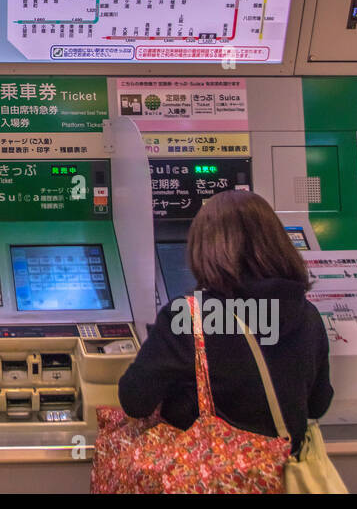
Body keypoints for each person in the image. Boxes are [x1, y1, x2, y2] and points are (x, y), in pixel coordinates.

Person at [118, 190, 332, 454]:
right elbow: (318, 404)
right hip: (280, 470)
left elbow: (135, 400)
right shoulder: (307, 313)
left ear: (205, 249)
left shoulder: (188, 316)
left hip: (209, 471)